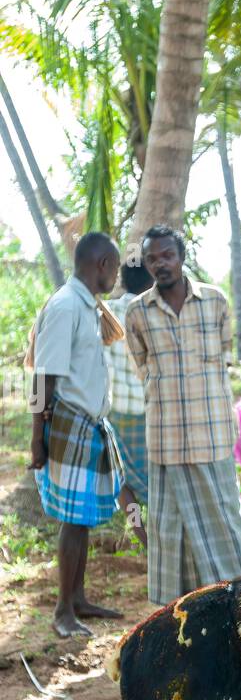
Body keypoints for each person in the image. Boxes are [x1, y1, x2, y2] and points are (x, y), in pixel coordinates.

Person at [125, 225, 241, 606]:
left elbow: (225, 358)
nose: (160, 264)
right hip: (165, 438)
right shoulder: (137, 313)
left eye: (167, 255)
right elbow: (143, 367)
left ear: (181, 258)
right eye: (152, 258)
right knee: (169, 528)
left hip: (211, 434)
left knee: (228, 521)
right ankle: (179, 608)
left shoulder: (214, 302)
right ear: (146, 264)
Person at [29, 232, 142, 637]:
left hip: (88, 425)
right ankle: (63, 611)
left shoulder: (87, 306)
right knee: (72, 521)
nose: (116, 275)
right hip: (69, 424)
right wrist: (36, 437)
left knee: (82, 520)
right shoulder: (65, 306)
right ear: (103, 266)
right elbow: (44, 375)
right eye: (114, 267)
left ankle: (77, 599)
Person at [106, 260, 153, 505]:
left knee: (123, 475)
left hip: (115, 411)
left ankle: (141, 532)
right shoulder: (153, 312)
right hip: (148, 410)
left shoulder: (106, 311)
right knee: (153, 477)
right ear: (152, 282)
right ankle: (158, 530)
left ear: (122, 282)